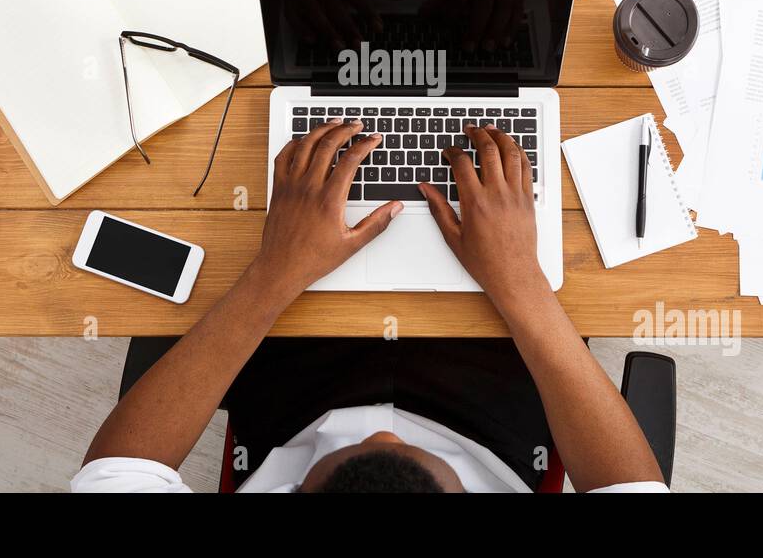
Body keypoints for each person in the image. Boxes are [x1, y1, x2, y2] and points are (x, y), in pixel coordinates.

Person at [73, 119, 667, 493]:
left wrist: (274, 273)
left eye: (355, 450)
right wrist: (521, 284)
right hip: (496, 408)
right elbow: (631, 484)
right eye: (413, 454)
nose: (382, 433)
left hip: (293, 397)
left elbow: (118, 468)